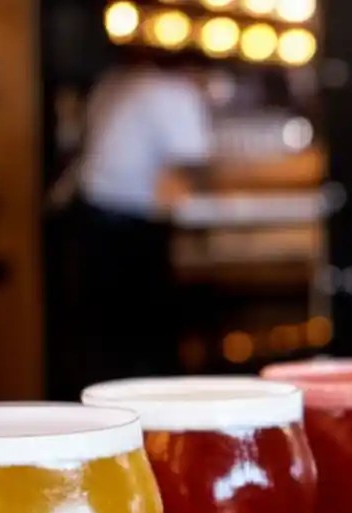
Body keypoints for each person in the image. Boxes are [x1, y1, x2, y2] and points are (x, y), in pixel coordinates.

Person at [47, 50, 213, 399]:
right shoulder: (174, 92)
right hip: (127, 226)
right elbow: (190, 167)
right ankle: (151, 415)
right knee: (144, 336)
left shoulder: (114, 83)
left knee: (101, 336)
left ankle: (103, 412)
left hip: (85, 218)